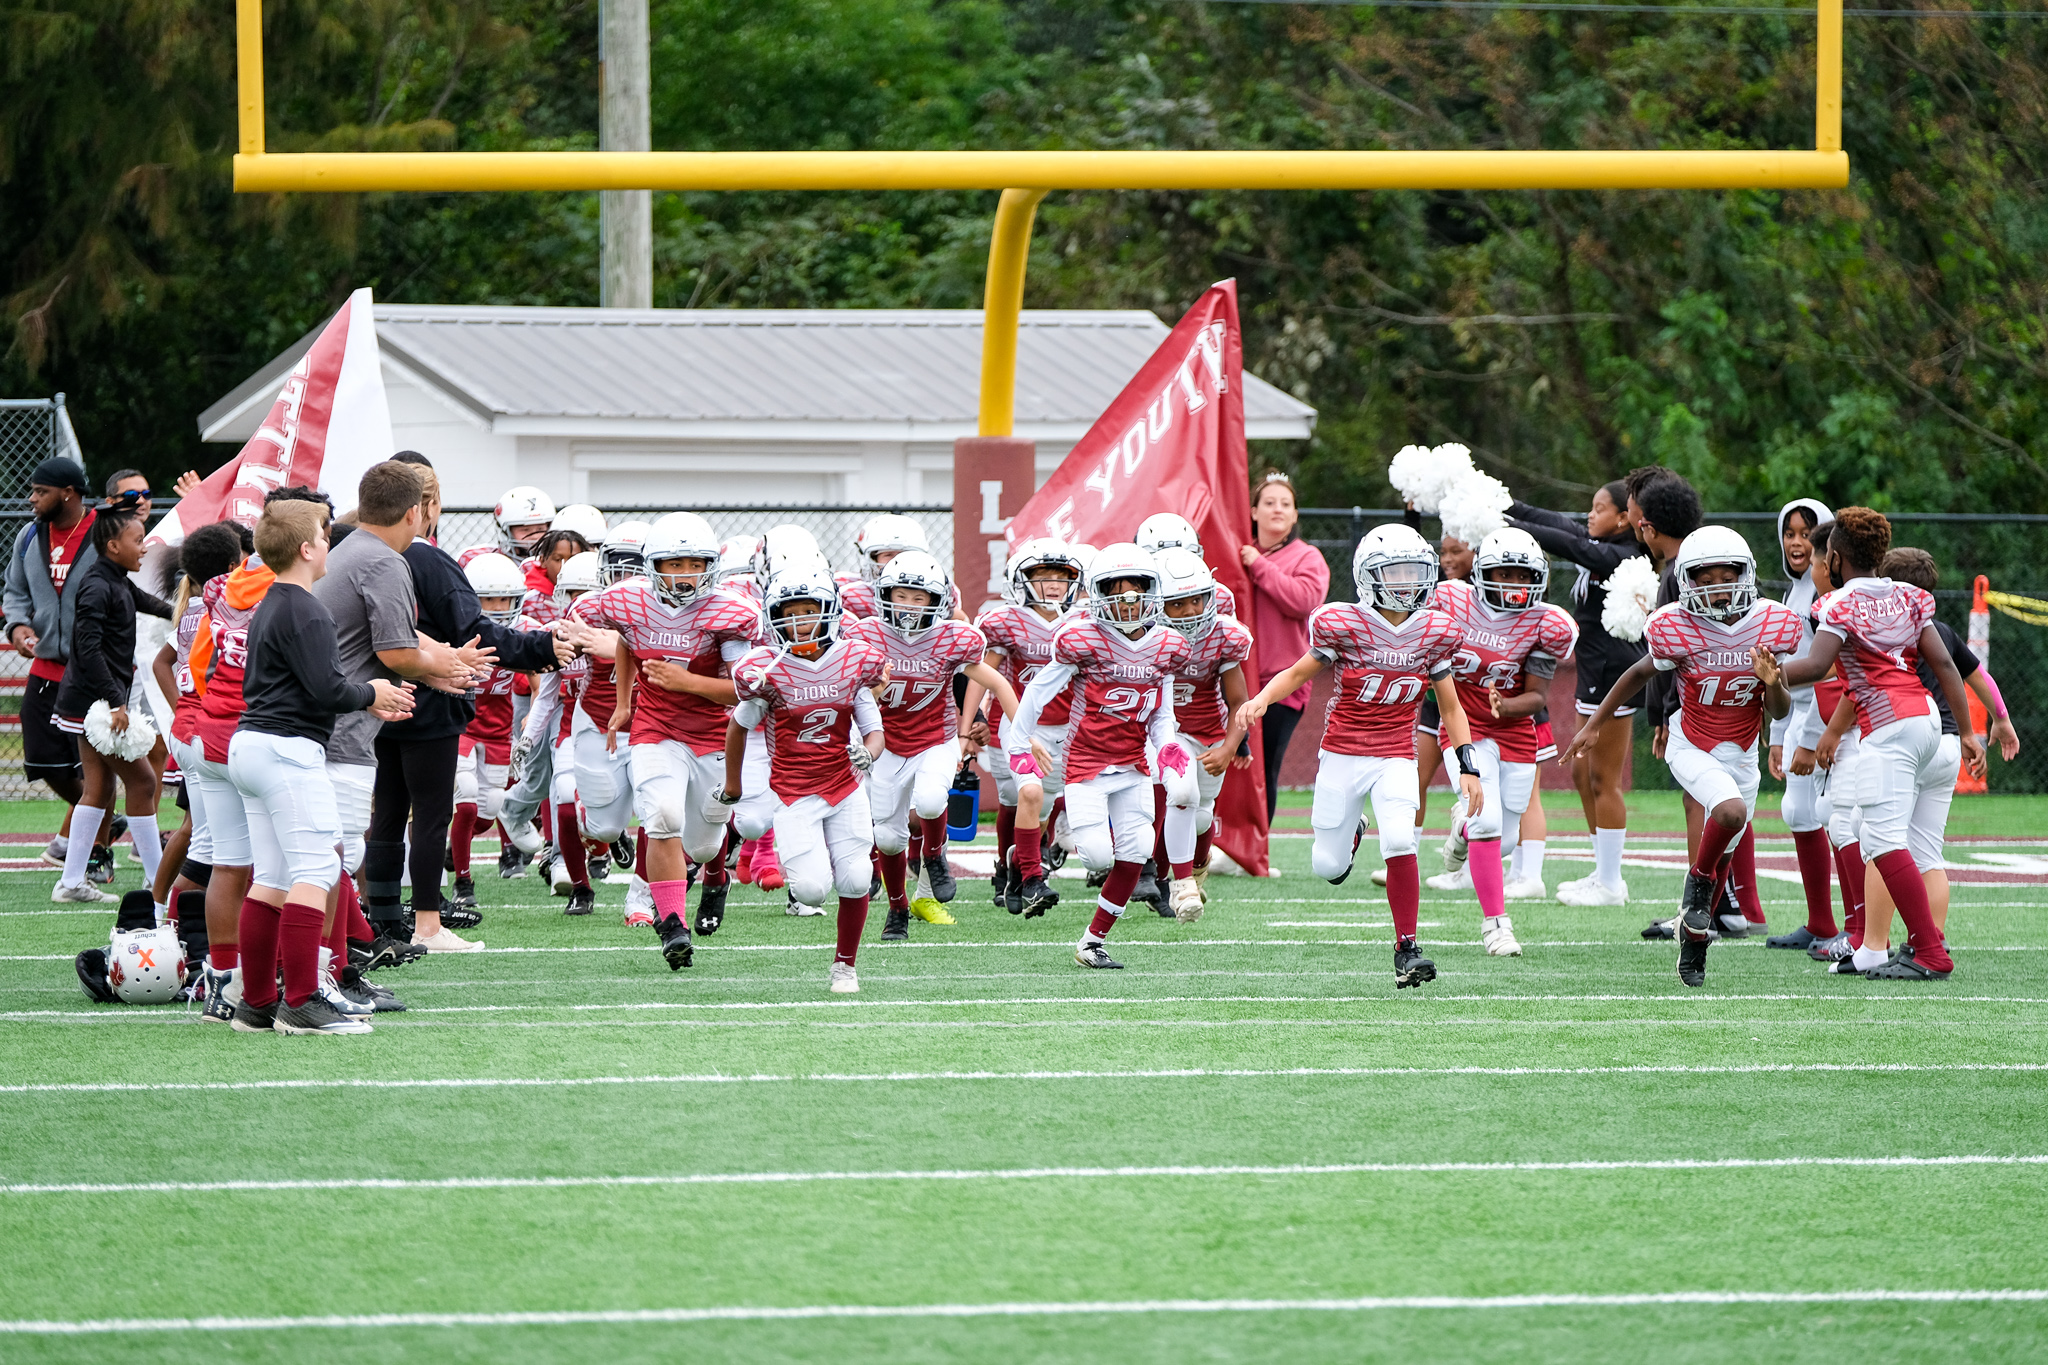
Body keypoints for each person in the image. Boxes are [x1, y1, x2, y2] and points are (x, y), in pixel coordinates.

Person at [1236, 524, 1484, 988]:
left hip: (1395, 754)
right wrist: (1260, 700)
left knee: (1400, 841)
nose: (1408, 582)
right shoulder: (1343, 623)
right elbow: (1296, 672)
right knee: (1327, 867)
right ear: (1370, 576)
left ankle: (1407, 947)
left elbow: (1450, 706)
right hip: (1343, 752)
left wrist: (1467, 765)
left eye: (1415, 571)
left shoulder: (1435, 630)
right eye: (1396, 572)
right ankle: (1352, 831)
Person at [1563, 527, 1803, 986]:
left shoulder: (1771, 623)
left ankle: (1694, 939)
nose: (1717, 585)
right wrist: (1595, 724)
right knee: (1729, 814)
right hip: (1690, 743)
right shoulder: (1677, 626)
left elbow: (1778, 710)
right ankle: (1695, 895)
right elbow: (1637, 673)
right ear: (1688, 582)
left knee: (1725, 851)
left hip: (1742, 752)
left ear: (1745, 575)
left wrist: (1772, 681)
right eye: (1705, 577)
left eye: (1726, 575)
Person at [225, 499, 414, 1034]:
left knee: (273, 879)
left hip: (255, 746)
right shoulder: (305, 607)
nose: (331, 543)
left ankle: (258, 1002)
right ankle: (303, 1000)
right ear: (306, 549)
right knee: (316, 870)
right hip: (286, 751)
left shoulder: (272, 601)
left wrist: (367, 697)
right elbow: (327, 689)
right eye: (325, 537)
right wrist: (372, 690)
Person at [365, 469, 571, 953]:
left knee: (389, 812)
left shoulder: (356, 551)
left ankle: (384, 915)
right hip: (429, 702)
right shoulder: (425, 559)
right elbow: (473, 630)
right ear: (425, 506)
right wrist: (544, 645)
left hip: (375, 697)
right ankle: (427, 924)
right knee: (431, 814)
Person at [1769, 509, 1980, 979]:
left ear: (1836, 558)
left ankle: (1929, 951)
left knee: (1883, 840)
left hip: (1889, 728)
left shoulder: (1838, 603)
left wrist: (1767, 671)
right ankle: (1869, 950)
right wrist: (1967, 731)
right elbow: (1946, 666)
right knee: (1874, 834)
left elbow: (1817, 663)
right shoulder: (1908, 595)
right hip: (1926, 718)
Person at [580, 511, 766, 961]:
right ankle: (672, 925)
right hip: (655, 728)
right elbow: (627, 638)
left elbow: (747, 689)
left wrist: (688, 683)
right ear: (653, 566)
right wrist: (625, 703)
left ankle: (707, 876)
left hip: (711, 736)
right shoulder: (626, 600)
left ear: (711, 566)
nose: (685, 575)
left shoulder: (730, 612)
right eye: (674, 564)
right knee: (662, 816)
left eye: (694, 564)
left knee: (701, 845)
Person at [310, 460, 478, 951]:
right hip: (340, 726)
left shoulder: (350, 550)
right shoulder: (383, 561)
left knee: (326, 853)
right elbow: (396, 652)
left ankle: (348, 949)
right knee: (330, 860)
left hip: (320, 718)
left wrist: (438, 665)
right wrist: (444, 669)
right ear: (414, 512)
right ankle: (326, 969)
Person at [1006, 544, 1193, 971]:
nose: (1128, 603)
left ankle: (1092, 942)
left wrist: (1167, 747)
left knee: (1139, 849)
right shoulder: (1082, 637)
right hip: (1086, 762)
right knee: (1097, 857)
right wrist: (1020, 741)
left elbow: (1161, 713)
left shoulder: (1166, 645)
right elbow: (1039, 689)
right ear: (1099, 593)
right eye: (1117, 591)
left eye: (1136, 591)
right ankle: (1026, 856)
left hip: (1132, 764)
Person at [724, 565, 889, 992]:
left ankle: (845, 966)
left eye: (807, 611)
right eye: (789, 612)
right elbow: (738, 727)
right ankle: (774, 856)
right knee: (814, 891)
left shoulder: (853, 660)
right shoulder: (766, 669)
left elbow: (874, 731)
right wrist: (734, 785)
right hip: (793, 790)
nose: (798, 622)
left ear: (828, 612)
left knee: (856, 879)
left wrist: (867, 755)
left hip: (845, 783)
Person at [845, 550, 1023, 940]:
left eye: (919, 597)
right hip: (886, 745)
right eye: (901, 595)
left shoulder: (951, 637)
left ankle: (934, 855)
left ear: (937, 601)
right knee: (888, 838)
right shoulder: (866, 636)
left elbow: (997, 682)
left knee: (929, 800)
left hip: (934, 740)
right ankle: (897, 908)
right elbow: (852, 692)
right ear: (884, 594)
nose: (908, 605)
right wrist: (874, 688)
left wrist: (1023, 734)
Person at [1425, 528, 1578, 958]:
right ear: (1483, 573)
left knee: (1504, 838)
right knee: (1488, 822)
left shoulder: (1547, 623)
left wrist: (1506, 706)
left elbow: (1538, 696)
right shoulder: (1452, 601)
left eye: (1521, 575)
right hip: (1463, 724)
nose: (1513, 585)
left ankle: (1460, 824)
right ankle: (1496, 924)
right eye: (1504, 574)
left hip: (1513, 730)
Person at [1505, 480, 1648, 906]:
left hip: (1615, 673)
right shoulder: (1603, 540)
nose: (1589, 515)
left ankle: (1610, 882)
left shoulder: (1625, 555)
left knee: (1605, 778)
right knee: (1581, 775)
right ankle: (1603, 871)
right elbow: (1555, 523)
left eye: (1598, 508)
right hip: (1595, 671)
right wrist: (1505, 505)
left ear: (1623, 517)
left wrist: (1507, 526)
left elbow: (1569, 546)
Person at [48, 510, 174, 903]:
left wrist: (188, 611)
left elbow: (150, 602)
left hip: (95, 702)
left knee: (100, 788)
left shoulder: (116, 580)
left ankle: (70, 883)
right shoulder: (96, 587)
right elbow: (85, 648)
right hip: (96, 705)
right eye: (138, 541)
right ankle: (158, 883)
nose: (145, 547)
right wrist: (116, 701)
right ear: (113, 546)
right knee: (142, 782)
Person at [5, 456, 121, 876]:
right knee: (41, 760)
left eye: (41, 492)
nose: (32, 499)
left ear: (68, 493)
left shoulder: (103, 532)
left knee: (99, 768)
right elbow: (15, 591)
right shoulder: (28, 535)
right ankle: (98, 814)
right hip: (46, 670)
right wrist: (17, 628)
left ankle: (97, 852)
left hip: (92, 671)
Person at [153, 521, 248, 1016]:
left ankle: (171, 937)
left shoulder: (191, 608)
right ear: (236, 564)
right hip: (215, 733)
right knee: (228, 855)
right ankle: (198, 957)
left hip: (191, 730)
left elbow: (163, 664)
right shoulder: (225, 604)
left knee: (206, 843)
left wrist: (182, 709)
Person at [966, 538, 1086, 915]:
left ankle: (1019, 869)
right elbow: (982, 674)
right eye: (1043, 575)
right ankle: (1018, 871)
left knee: (1042, 805)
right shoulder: (1006, 621)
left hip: (1064, 729)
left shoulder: (1084, 620)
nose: (1053, 583)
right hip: (1015, 725)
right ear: (1021, 580)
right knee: (1017, 798)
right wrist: (969, 722)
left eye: (1061, 576)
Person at [1151, 548, 1254, 918]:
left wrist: (1230, 747)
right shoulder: (1148, 635)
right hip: (1163, 732)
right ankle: (1176, 885)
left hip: (1209, 731)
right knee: (1180, 795)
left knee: (1201, 816)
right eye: (1178, 603)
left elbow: (1239, 700)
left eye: (1197, 600)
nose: (1191, 610)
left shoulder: (1223, 634)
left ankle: (1195, 868)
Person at [1761, 497, 1840, 950]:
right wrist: (1778, 736)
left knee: (1838, 818)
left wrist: (1808, 736)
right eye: (1789, 533)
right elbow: (1784, 666)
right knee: (1800, 813)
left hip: (1827, 716)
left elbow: (1824, 671)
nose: (1797, 542)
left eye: (1807, 534)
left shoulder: (1827, 593)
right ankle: (1821, 923)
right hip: (1798, 715)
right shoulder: (1797, 590)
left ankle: (1855, 928)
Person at [1238, 470, 1331, 824]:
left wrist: (1259, 566)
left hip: (1284, 681)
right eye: (1269, 502)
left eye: (1286, 504)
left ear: (1295, 515)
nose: (1277, 509)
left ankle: (1257, 846)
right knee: (1231, 761)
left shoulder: (1307, 557)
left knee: (1264, 765)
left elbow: (1303, 600)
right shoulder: (1240, 554)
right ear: (1254, 512)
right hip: (1237, 676)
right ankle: (1223, 843)